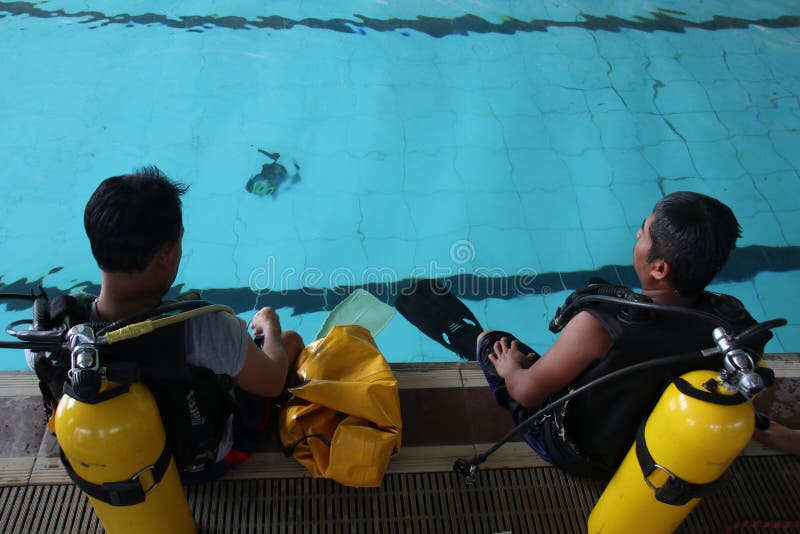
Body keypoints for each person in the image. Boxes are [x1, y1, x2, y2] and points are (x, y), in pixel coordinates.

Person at [477, 191, 770, 479]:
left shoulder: (601, 324)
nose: (637, 235)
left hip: (584, 454)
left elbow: (527, 393)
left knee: (490, 341)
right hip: (658, 454)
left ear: (659, 268)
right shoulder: (731, 329)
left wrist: (511, 369)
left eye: (643, 233)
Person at [80, 165, 303, 482]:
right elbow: (271, 383)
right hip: (198, 464)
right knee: (288, 342)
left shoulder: (61, 329)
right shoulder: (203, 328)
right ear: (167, 254)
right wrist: (271, 328)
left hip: (122, 470)